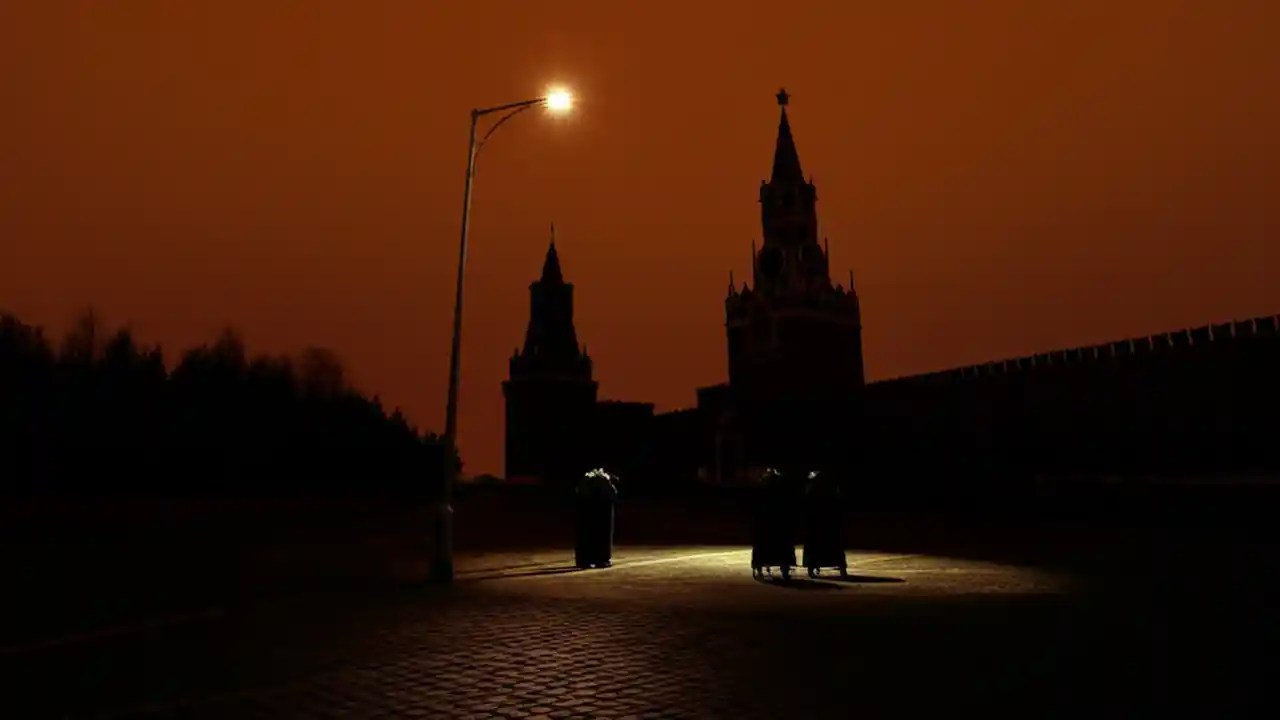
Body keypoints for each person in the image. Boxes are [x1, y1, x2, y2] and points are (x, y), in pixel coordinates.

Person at [751, 468, 797, 579]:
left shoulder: (762, 483)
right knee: (783, 545)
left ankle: (759, 568)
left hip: (765, 519)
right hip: (780, 519)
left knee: (762, 544)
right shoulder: (782, 483)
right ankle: (784, 568)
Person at [574, 469, 618, 568]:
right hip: (595, 489)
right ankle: (599, 558)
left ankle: (586, 558)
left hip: (589, 489)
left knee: (586, 526)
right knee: (600, 526)